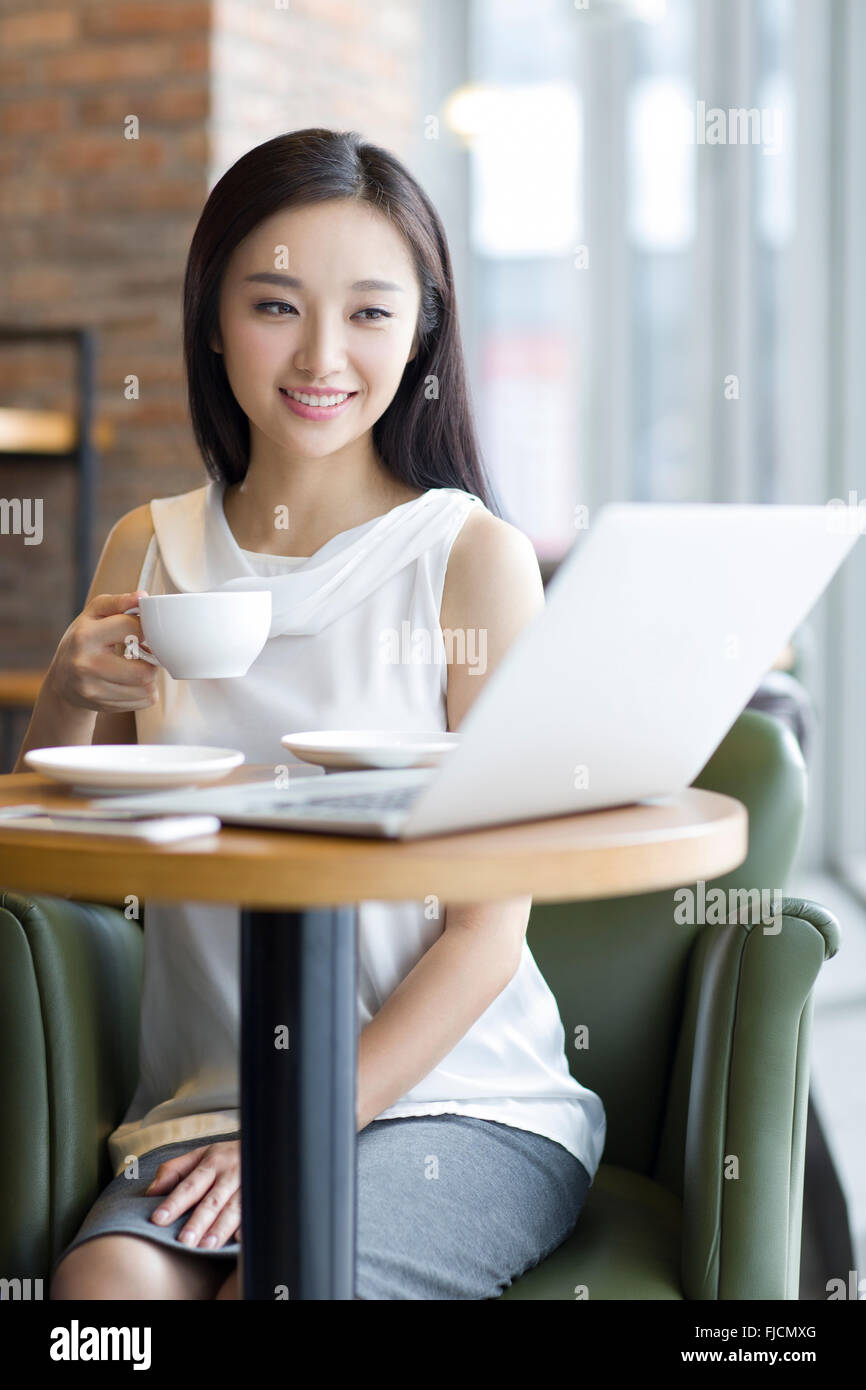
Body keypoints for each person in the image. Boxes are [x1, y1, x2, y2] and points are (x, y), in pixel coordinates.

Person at [19, 128, 606, 1300]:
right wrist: (67, 694)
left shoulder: (467, 558)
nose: (321, 354)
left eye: (371, 314)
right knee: (100, 1307)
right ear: (213, 317)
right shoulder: (153, 547)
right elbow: (72, 863)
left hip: (453, 1100)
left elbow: (488, 932)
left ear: (423, 333)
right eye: (276, 305)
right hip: (211, 1104)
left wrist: (300, 1135)